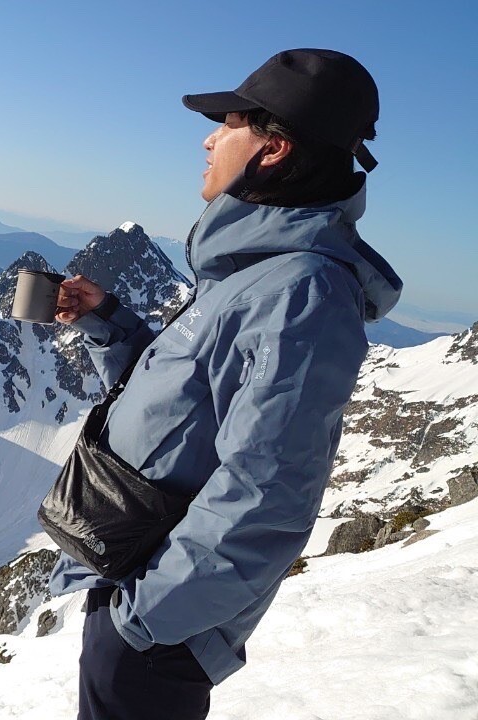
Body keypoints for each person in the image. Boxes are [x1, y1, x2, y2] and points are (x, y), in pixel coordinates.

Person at [44, 49, 403, 720]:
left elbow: (271, 492)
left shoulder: (301, 292)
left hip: (158, 628)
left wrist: (143, 625)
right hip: (140, 586)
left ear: (273, 148)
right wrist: (107, 323)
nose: (209, 139)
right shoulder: (249, 278)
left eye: (228, 123)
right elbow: (182, 404)